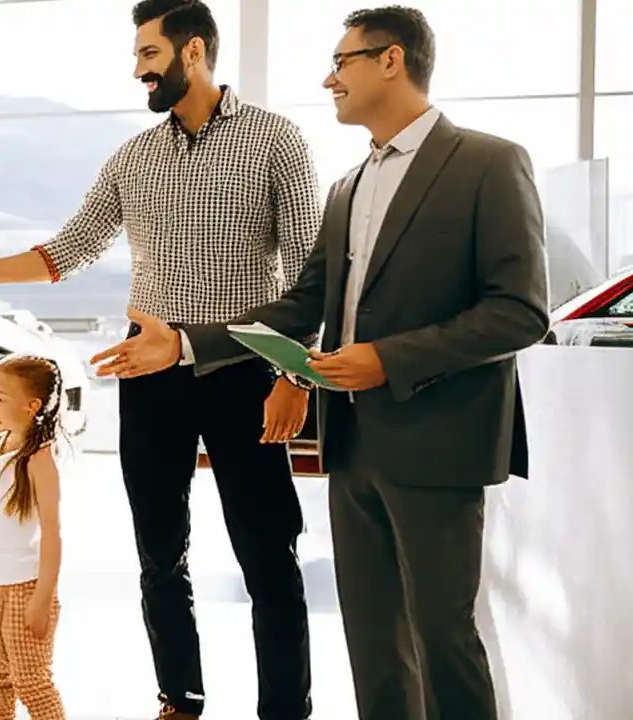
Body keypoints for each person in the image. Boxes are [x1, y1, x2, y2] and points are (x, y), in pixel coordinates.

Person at [91, 7, 550, 720]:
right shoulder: (347, 187)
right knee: (374, 643)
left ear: (391, 60)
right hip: (354, 444)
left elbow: (520, 311)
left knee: (442, 637)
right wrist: (183, 346)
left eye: (344, 61)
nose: (329, 77)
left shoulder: (489, 162)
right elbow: (300, 305)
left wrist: (384, 359)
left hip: (439, 441)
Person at [0, 2, 323, 717]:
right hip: (150, 380)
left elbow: (307, 273)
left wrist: (296, 375)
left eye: (149, 53)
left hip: (247, 373)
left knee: (269, 560)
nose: (138, 70)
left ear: (195, 52)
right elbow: (69, 248)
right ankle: (180, 698)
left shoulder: (276, 140)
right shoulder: (134, 157)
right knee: (159, 559)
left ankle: (285, 710)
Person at [0, 355, 68, 720]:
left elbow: (52, 534)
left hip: (25, 589)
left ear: (32, 407)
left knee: (32, 684)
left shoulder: (39, 460)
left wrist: (43, 598)